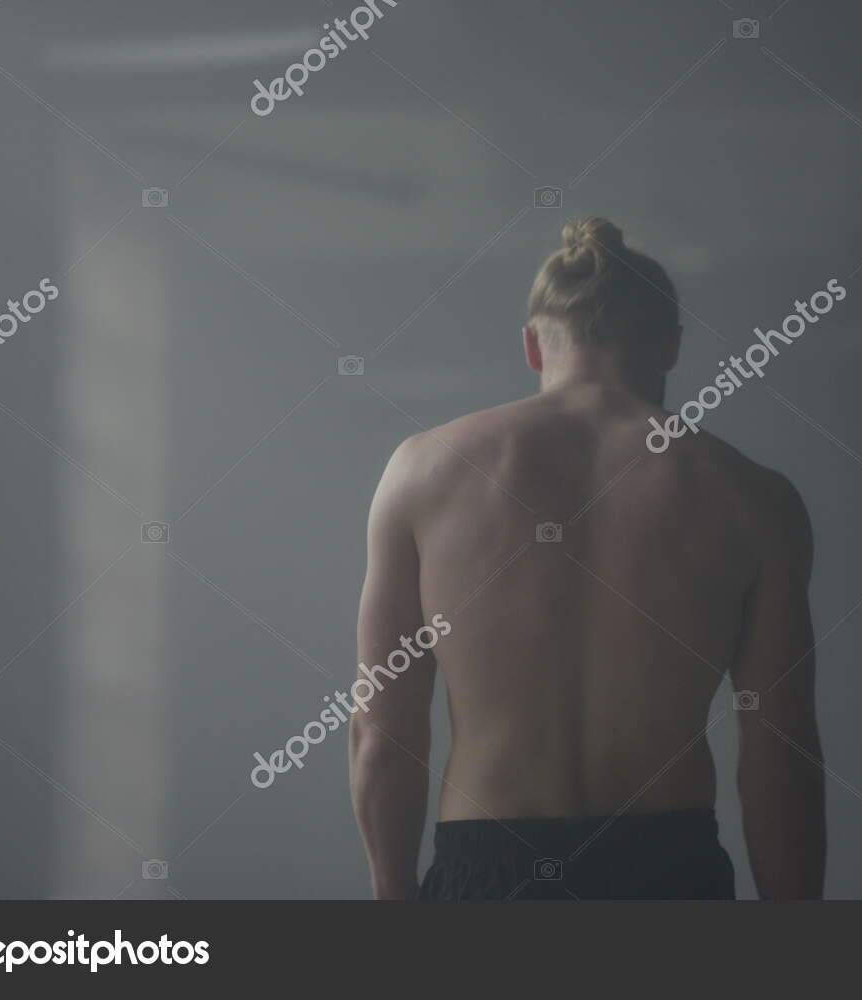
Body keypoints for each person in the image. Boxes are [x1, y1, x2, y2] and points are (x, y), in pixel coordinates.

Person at [349, 217, 824, 899]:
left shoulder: (424, 472)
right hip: (666, 870)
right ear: (671, 346)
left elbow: (381, 730)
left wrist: (393, 898)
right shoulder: (751, 496)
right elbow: (783, 756)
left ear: (533, 347)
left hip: (488, 870)